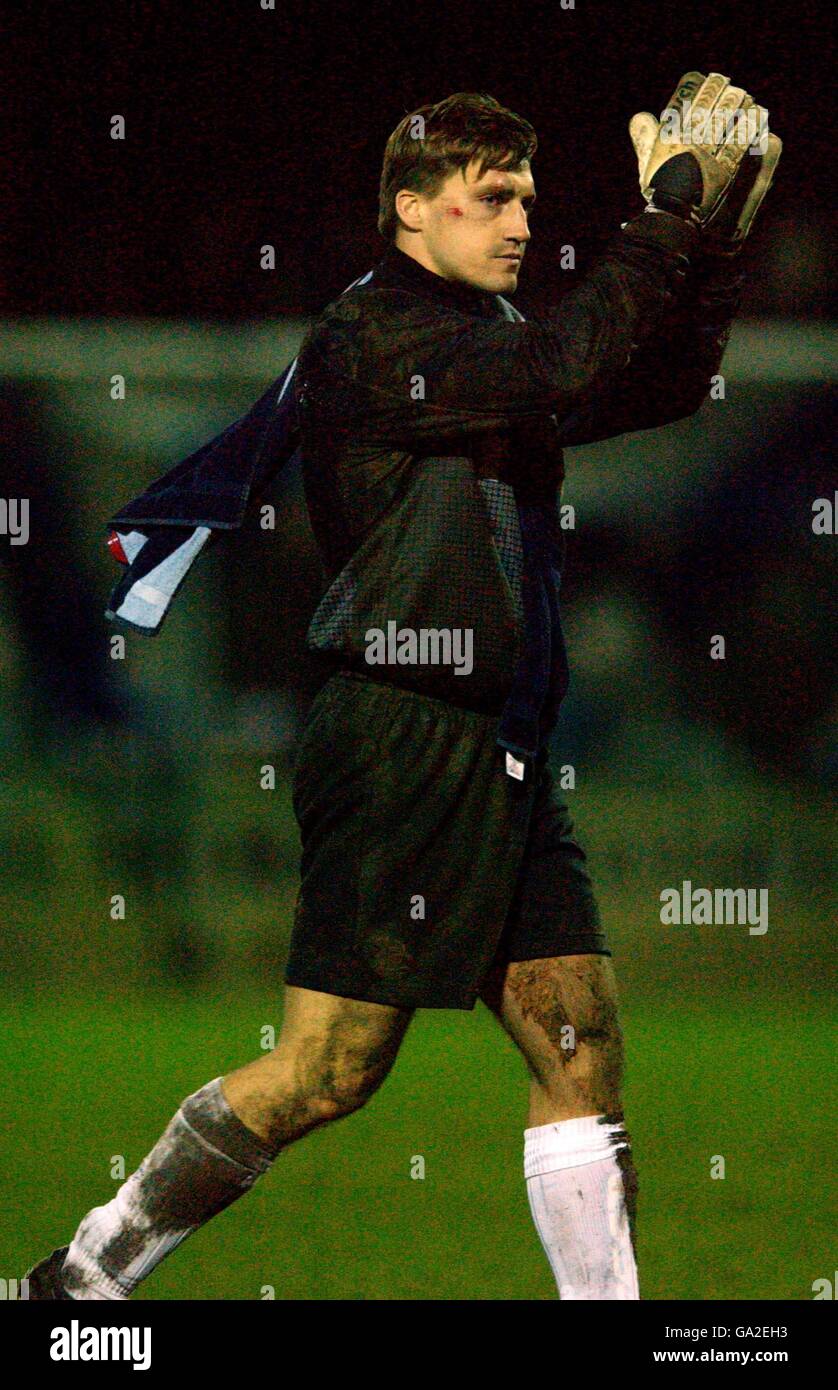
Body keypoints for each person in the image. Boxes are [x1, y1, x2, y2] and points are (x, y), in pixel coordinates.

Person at [24, 75, 779, 1301]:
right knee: (326, 1071)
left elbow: (653, 384)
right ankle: (86, 1279)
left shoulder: (488, 346)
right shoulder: (378, 334)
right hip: (400, 735)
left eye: (529, 197)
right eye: (491, 199)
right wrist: (671, 213)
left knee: (574, 1037)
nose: (522, 221)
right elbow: (579, 355)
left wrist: (720, 244)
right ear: (410, 211)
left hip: (503, 738)